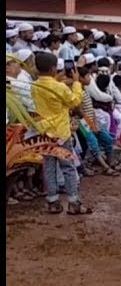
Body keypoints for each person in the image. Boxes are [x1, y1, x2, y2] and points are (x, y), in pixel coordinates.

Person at [30, 52, 90, 214]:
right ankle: (73, 203)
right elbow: (74, 102)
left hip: (44, 132)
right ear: (54, 68)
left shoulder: (34, 86)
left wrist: (57, 78)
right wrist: (76, 83)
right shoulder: (60, 87)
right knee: (68, 168)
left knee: (49, 168)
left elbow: (48, 88)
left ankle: (53, 201)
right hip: (61, 133)